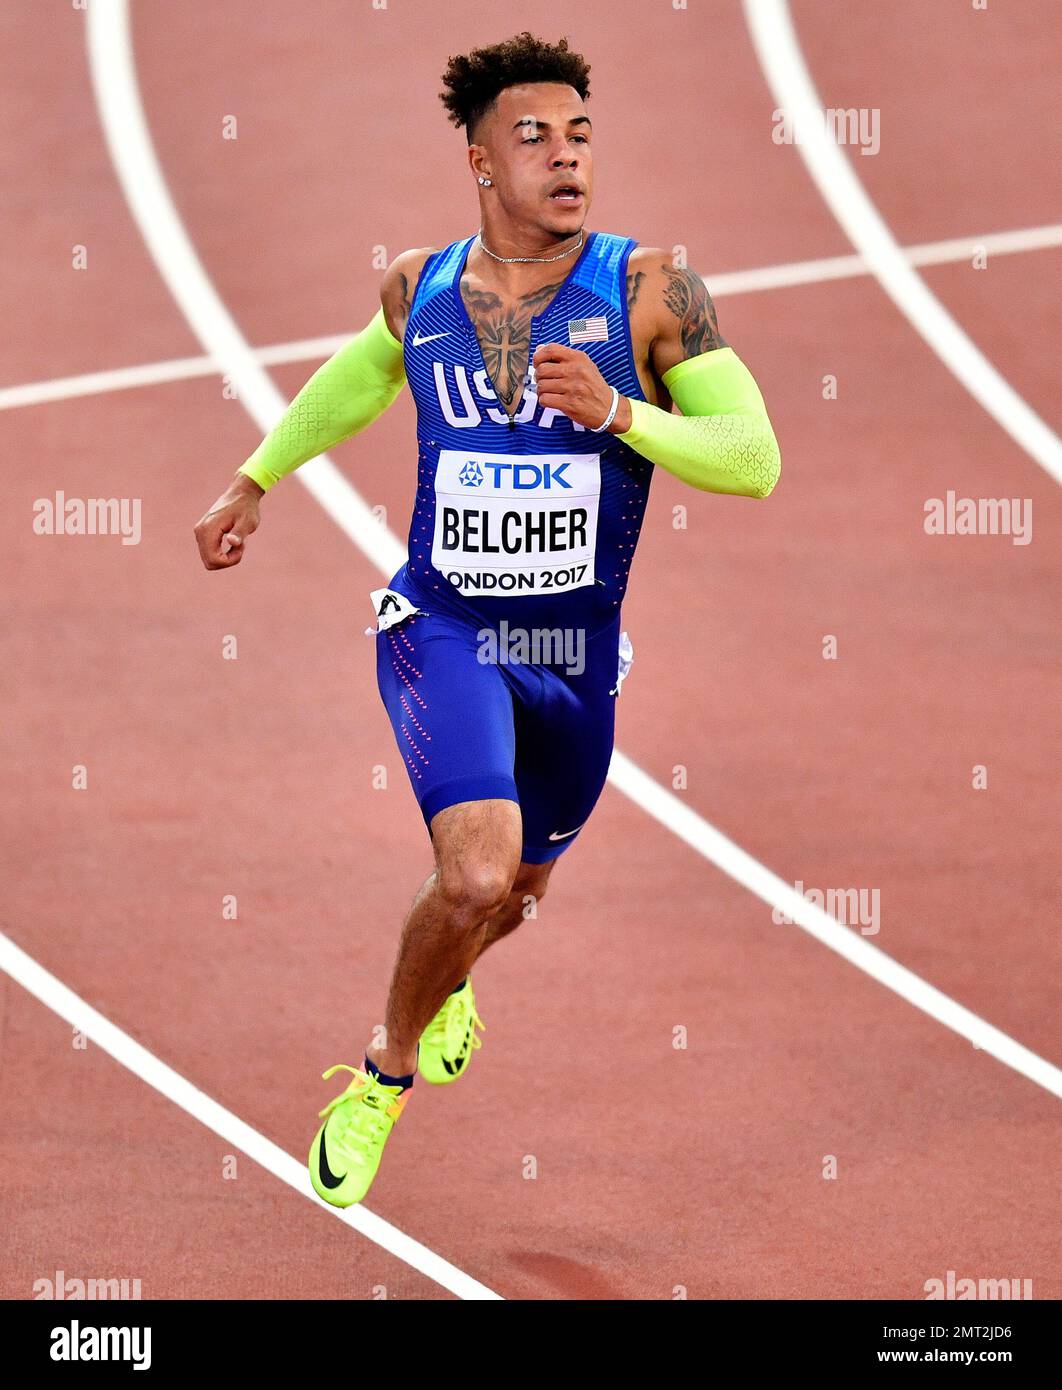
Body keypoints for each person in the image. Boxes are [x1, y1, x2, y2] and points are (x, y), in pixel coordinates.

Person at [193, 32, 781, 1208]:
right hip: (445, 623)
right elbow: (362, 377)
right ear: (478, 161)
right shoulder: (421, 287)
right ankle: (382, 1075)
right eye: (535, 138)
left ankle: (452, 977)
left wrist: (624, 412)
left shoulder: (655, 290)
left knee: (516, 895)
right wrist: (254, 479)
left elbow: (754, 458)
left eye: (581, 136)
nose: (567, 160)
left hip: (572, 651)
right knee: (471, 877)